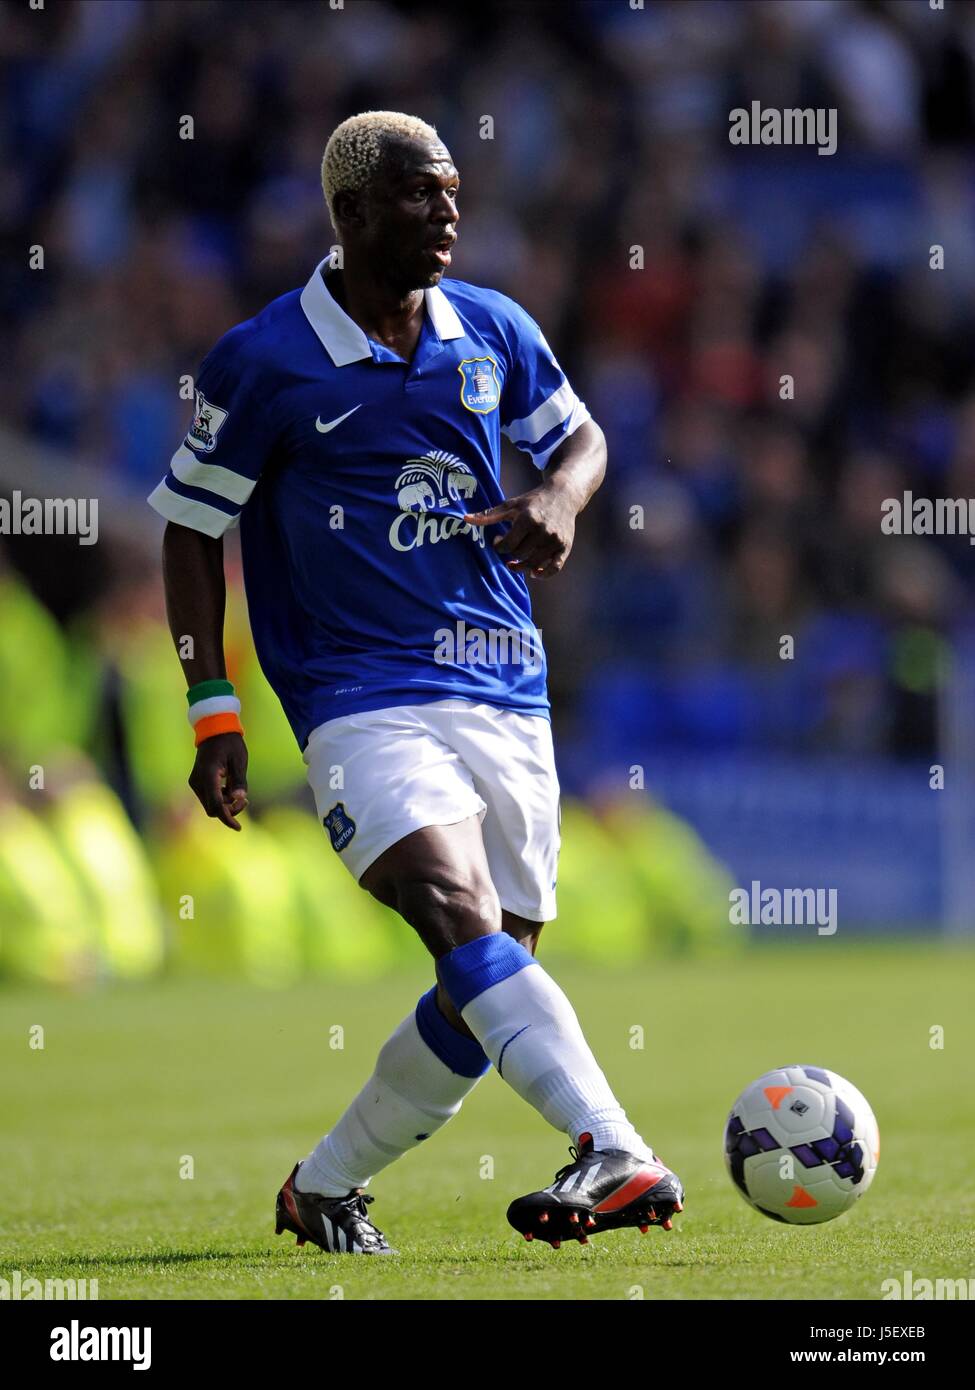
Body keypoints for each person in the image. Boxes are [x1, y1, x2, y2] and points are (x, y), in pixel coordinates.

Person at [149, 111, 684, 1255]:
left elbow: (581, 439)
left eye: (453, 193)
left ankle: (327, 1185)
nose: (447, 215)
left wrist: (563, 498)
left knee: (487, 977)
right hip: (359, 696)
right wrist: (215, 708)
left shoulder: (491, 327)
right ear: (348, 215)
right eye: (416, 196)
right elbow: (192, 531)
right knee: (454, 914)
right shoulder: (266, 360)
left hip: (504, 688)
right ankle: (611, 1142)